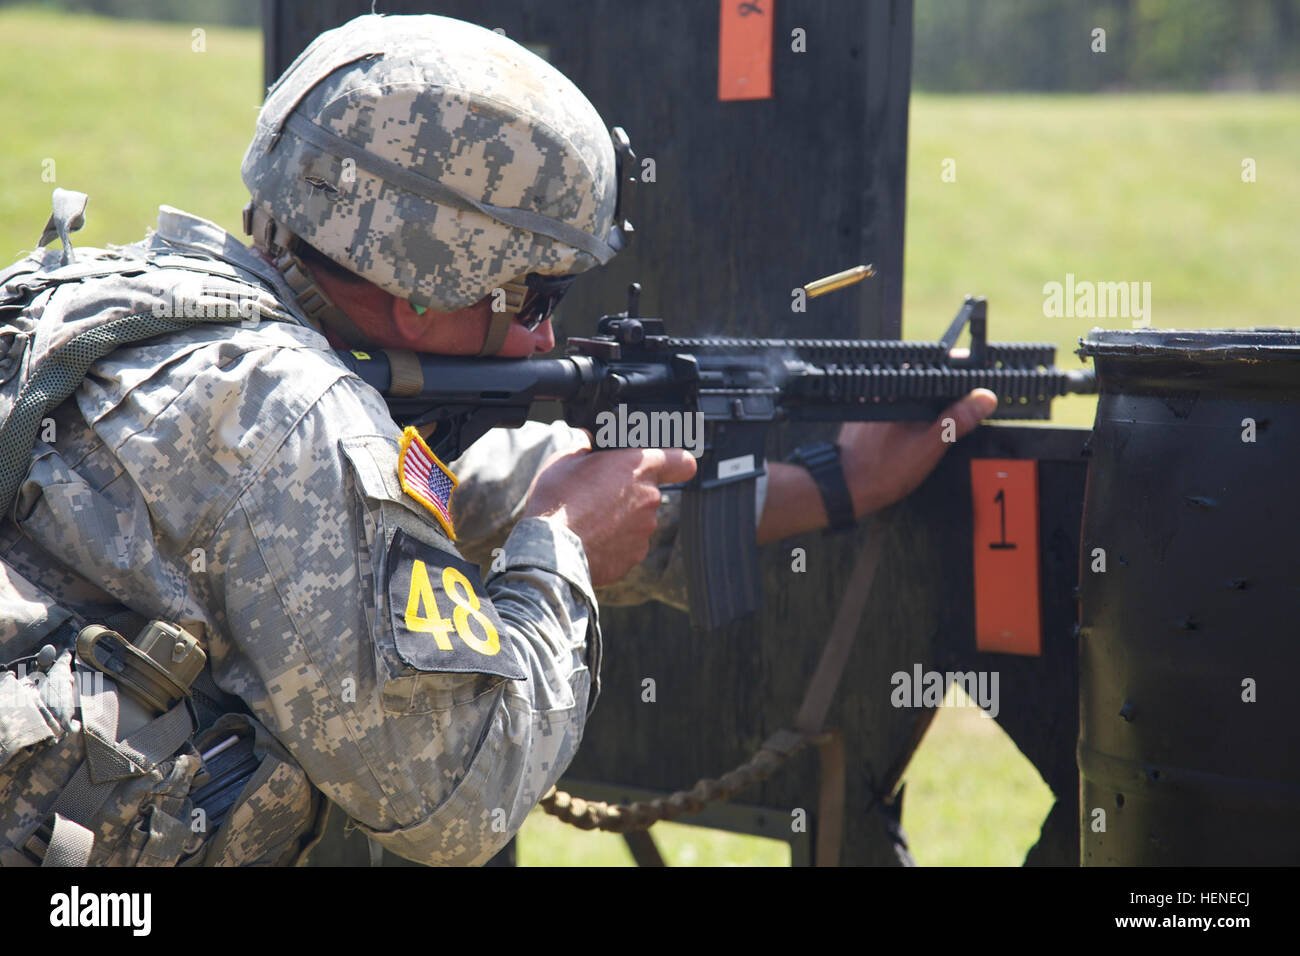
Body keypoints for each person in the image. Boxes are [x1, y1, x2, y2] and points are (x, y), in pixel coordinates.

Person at [0, 13, 995, 868]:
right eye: (536, 295)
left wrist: (831, 480)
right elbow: (458, 793)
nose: (547, 337)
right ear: (425, 274)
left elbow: (447, 487)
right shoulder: (302, 419)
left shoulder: (116, 302)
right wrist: (559, 556)